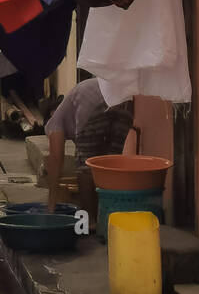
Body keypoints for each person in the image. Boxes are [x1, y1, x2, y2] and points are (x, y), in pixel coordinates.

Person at [45, 76, 134, 214]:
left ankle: (89, 218)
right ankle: (107, 213)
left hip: (94, 104)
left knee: (84, 164)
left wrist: (50, 204)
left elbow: (56, 158)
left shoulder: (53, 122)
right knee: (110, 162)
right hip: (125, 102)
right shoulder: (72, 114)